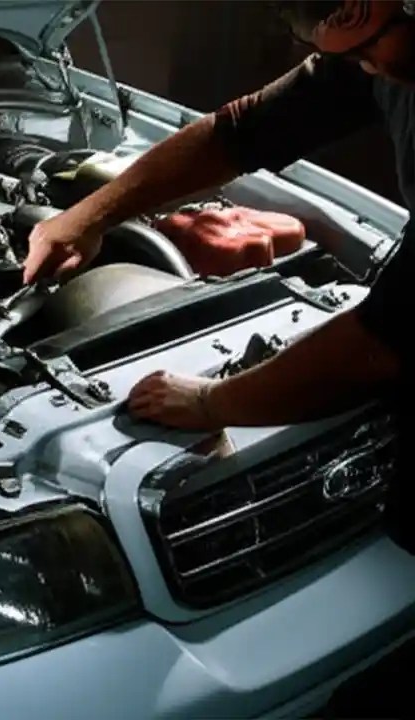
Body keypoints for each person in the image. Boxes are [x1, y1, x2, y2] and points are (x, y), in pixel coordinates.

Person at [21, 0, 407, 547]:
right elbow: (242, 130)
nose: (366, 67)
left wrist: (210, 402)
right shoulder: (379, 45)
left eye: (369, 48)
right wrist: (89, 214)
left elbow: (386, 341)